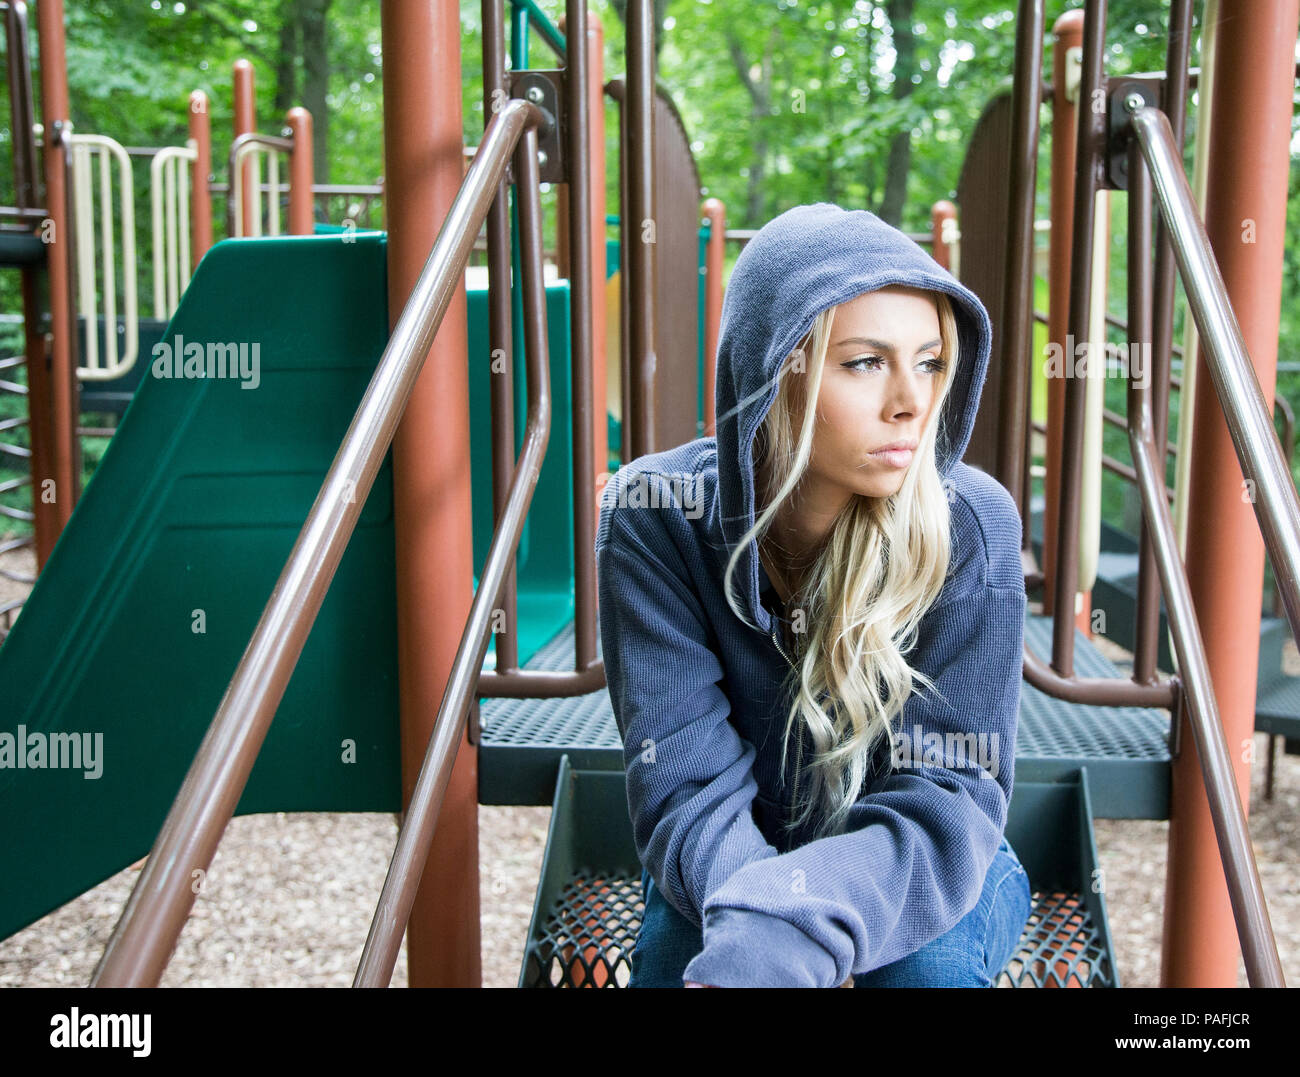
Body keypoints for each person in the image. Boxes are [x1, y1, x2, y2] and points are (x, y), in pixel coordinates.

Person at [595, 202, 1032, 988]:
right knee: (678, 966)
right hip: (729, 852)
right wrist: (767, 920)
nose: (912, 401)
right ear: (775, 371)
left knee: (922, 980)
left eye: (930, 361)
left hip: (916, 862)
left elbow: (947, 792)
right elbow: (684, 780)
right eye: (866, 362)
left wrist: (806, 919)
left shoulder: (972, 526)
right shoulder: (654, 517)